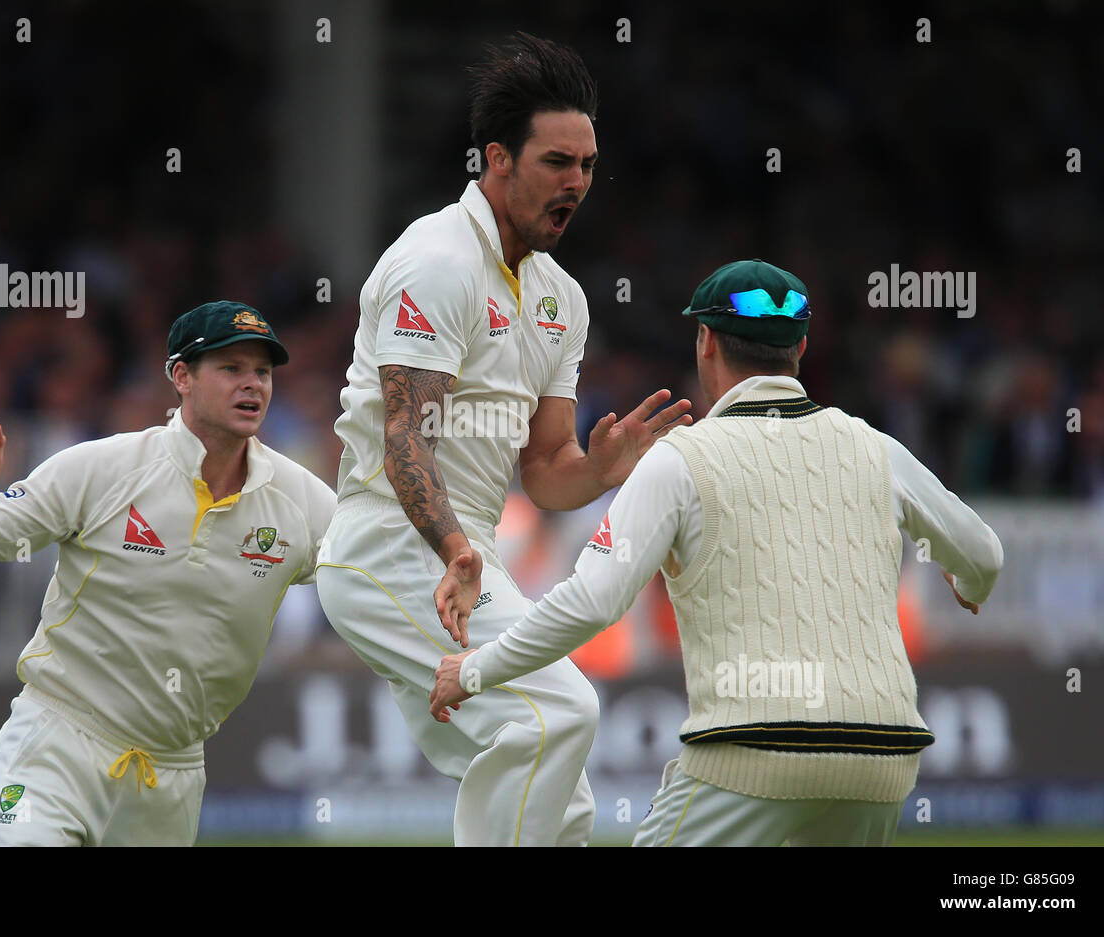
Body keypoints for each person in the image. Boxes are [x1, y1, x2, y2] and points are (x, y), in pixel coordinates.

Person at [430, 259, 1005, 846]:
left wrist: (476, 669)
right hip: (883, 753)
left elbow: (592, 602)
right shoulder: (874, 447)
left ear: (705, 341)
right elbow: (983, 553)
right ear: (800, 346)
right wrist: (970, 584)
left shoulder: (680, 458)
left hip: (750, 749)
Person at [315, 33, 693, 847]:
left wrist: (601, 468)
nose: (578, 183)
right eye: (558, 162)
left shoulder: (561, 298)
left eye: (588, 165)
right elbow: (404, 439)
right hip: (391, 547)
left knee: (566, 802)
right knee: (557, 714)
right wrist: (455, 547)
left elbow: (547, 474)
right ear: (496, 159)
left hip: (463, 557)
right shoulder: (436, 261)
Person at [0, 301, 336, 846]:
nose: (253, 385)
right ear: (181, 377)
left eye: (262, 371)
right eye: (231, 368)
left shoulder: (302, 500)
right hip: (60, 743)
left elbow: (372, 583)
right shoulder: (100, 468)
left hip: (171, 777)